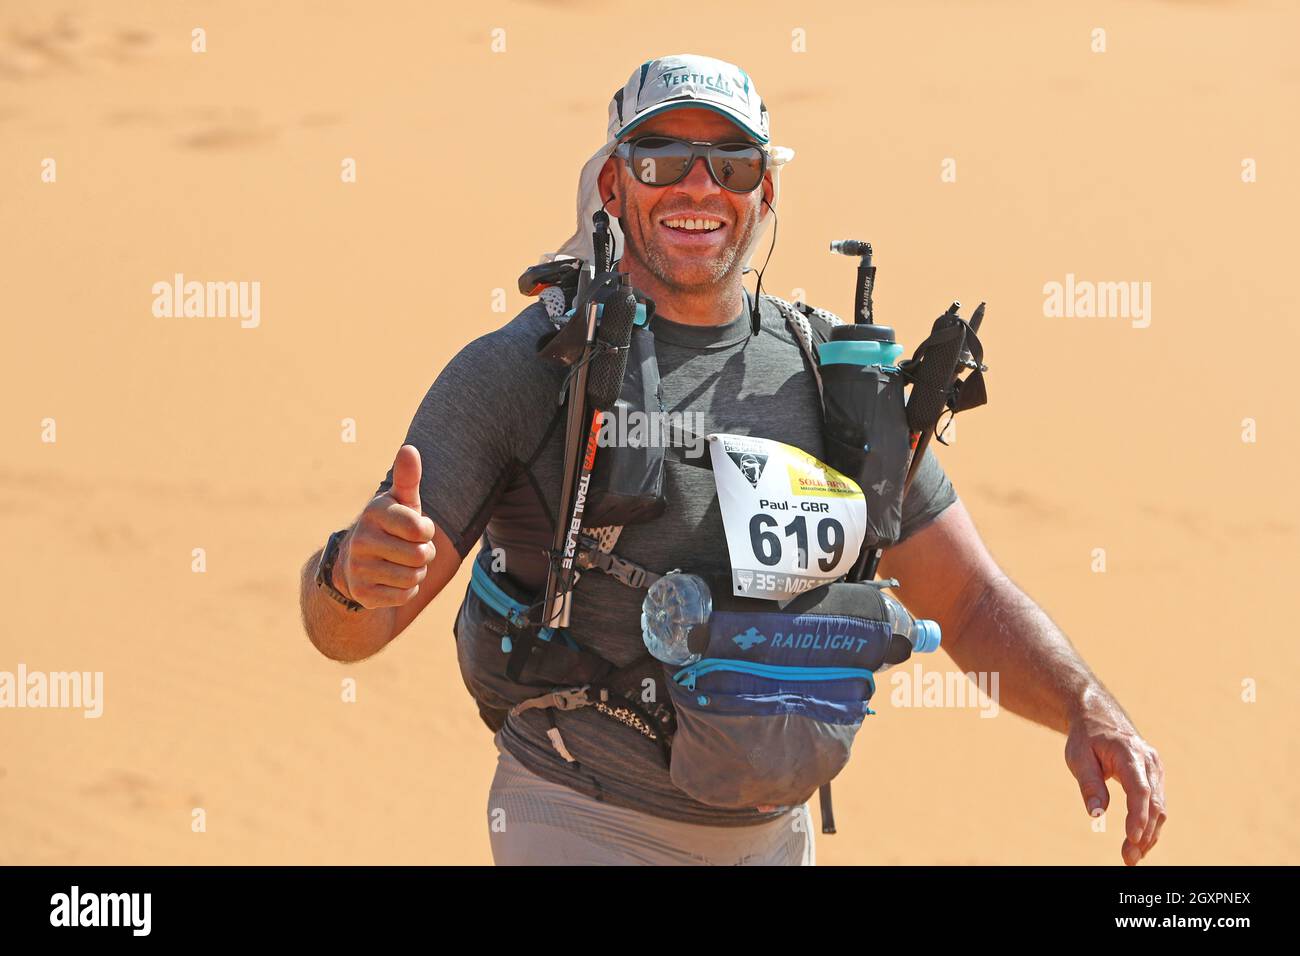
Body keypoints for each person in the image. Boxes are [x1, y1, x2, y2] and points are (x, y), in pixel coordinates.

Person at [298, 53, 1166, 866]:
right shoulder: (527, 369)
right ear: (612, 182)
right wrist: (349, 575)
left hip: (773, 839)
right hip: (573, 816)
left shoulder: (833, 377)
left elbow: (969, 601)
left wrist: (1086, 706)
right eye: (661, 158)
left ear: (765, 190)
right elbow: (348, 631)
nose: (699, 186)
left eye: (732, 164)